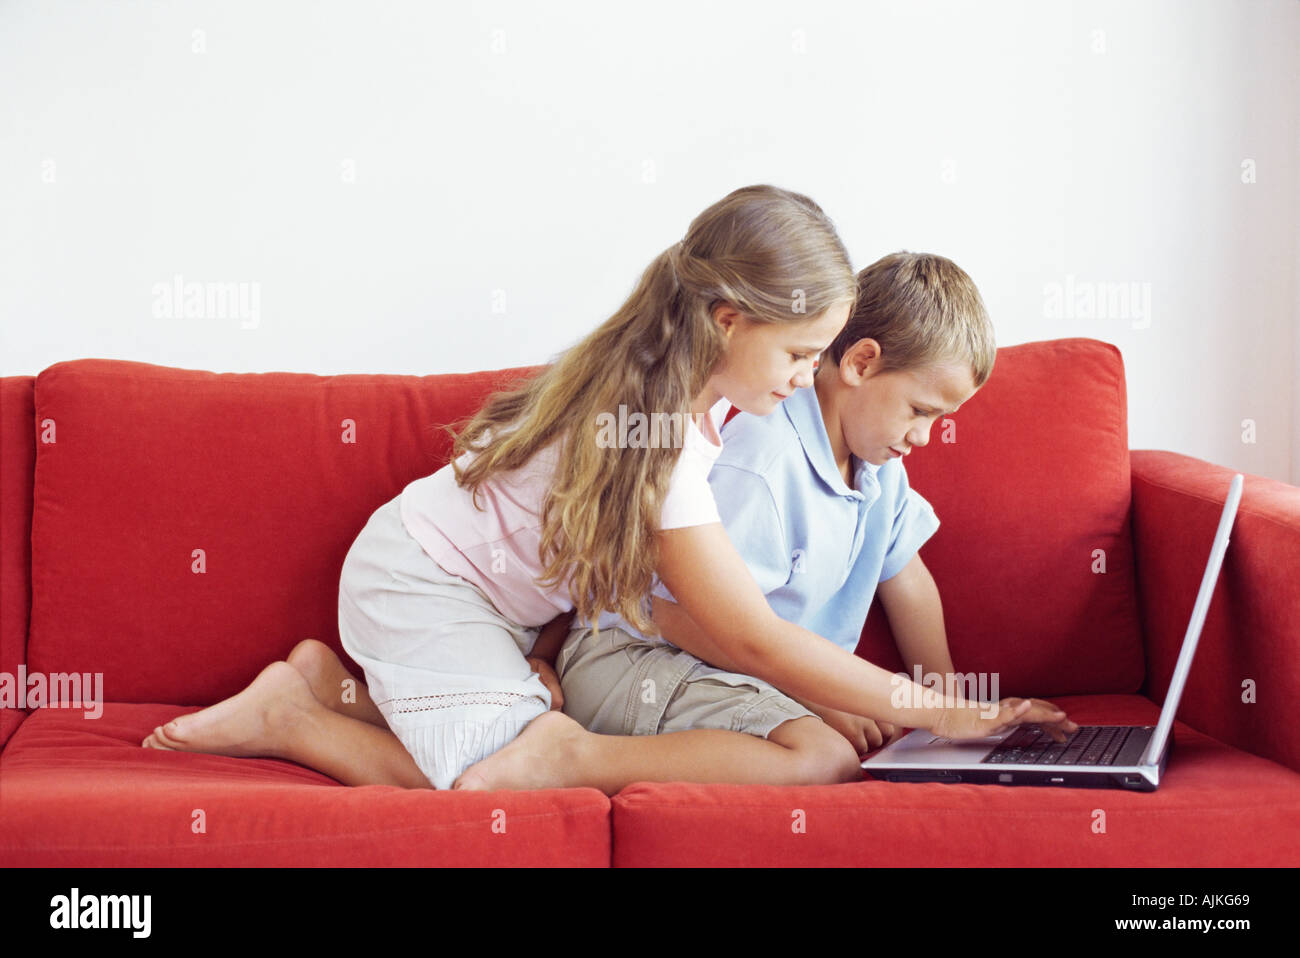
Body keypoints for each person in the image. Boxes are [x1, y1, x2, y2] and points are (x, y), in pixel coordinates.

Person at [142, 187, 1072, 793]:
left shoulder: (696, 407)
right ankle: (290, 717)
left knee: (525, 744)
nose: (803, 376)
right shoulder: (663, 435)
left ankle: (330, 686)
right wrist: (950, 711)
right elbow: (749, 632)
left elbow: (588, 560)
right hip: (425, 586)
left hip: (486, 607)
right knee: (485, 790)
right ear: (727, 319)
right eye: (795, 353)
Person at [557, 251, 1078, 771]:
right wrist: (819, 696)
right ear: (861, 363)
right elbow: (678, 617)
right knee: (824, 759)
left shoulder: (879, 462)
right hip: (640, 657)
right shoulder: (763, 465)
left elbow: (908, 583)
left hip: (736, 669)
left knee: (827, 752)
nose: (924, 436)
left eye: (939, 419)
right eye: (920, 410)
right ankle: (570, 758)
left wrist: (961, 716)